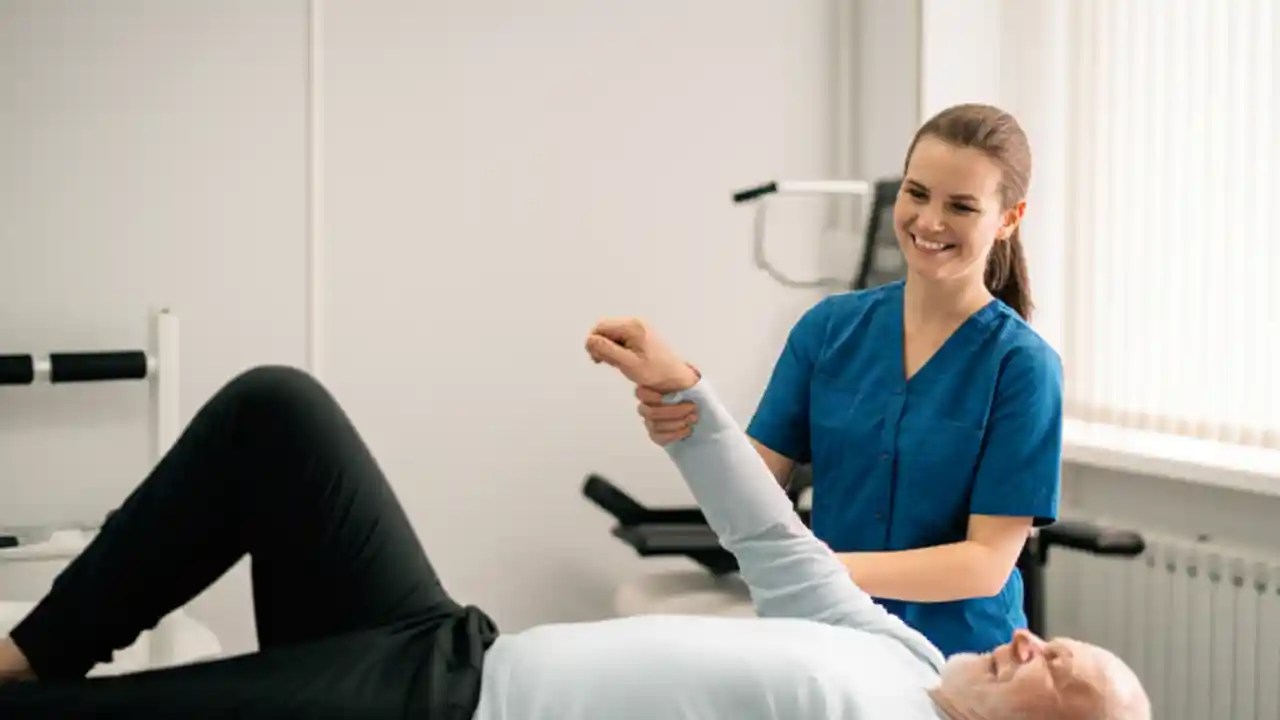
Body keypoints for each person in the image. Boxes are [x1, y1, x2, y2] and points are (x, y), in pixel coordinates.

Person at [0, 333, 1148, 719]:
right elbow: (780, 551)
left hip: (440, 716)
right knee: (278, 412)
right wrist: (690, 405)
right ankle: (28, 648)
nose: (1029, 643)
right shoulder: (902, 656)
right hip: (453, 651)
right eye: (1055, 644)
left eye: (1059, 675)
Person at [633, 102, 1063, 658]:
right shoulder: (828, 330)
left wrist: (818, 569)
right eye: (916, 193)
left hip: (963, 666)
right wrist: (685, 408)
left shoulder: (1023, 367)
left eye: (961, 206)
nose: (929, 221)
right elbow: (751, 491)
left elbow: (983, 564)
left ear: (1008, 218)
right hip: (829, 647)